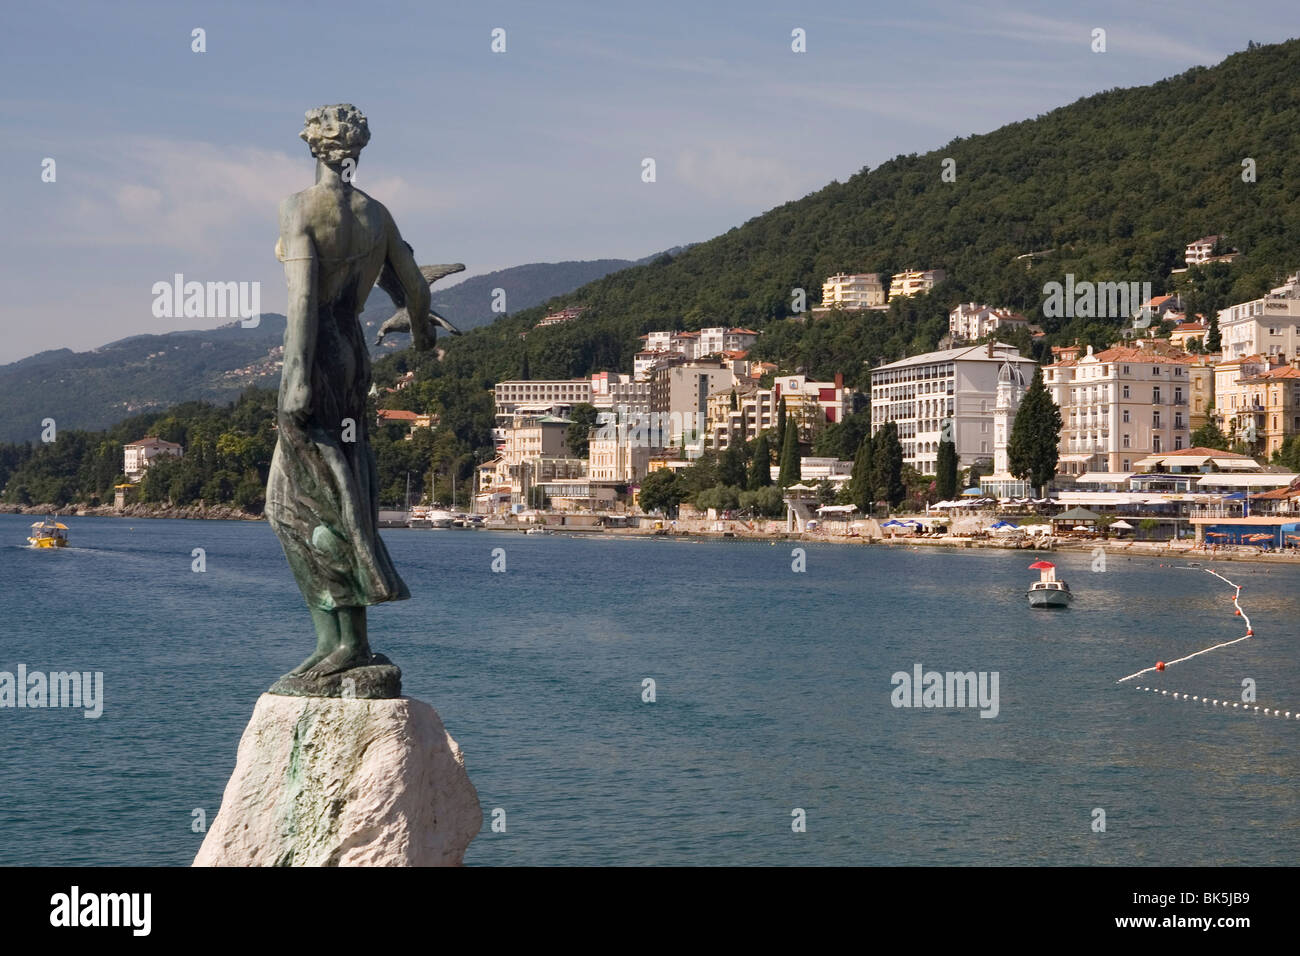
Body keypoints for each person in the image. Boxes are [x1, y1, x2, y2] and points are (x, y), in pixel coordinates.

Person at [266, 104, 432, 689]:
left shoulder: (300, 208)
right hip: (354, 357)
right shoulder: (378, 216)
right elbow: (414, 291)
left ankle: (340, 642)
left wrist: (297, 380)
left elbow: (303, 302)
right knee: (341, 490)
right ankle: (342, 643)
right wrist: (425, 334)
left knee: (291, 507)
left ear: (314, 145)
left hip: (315, 356)